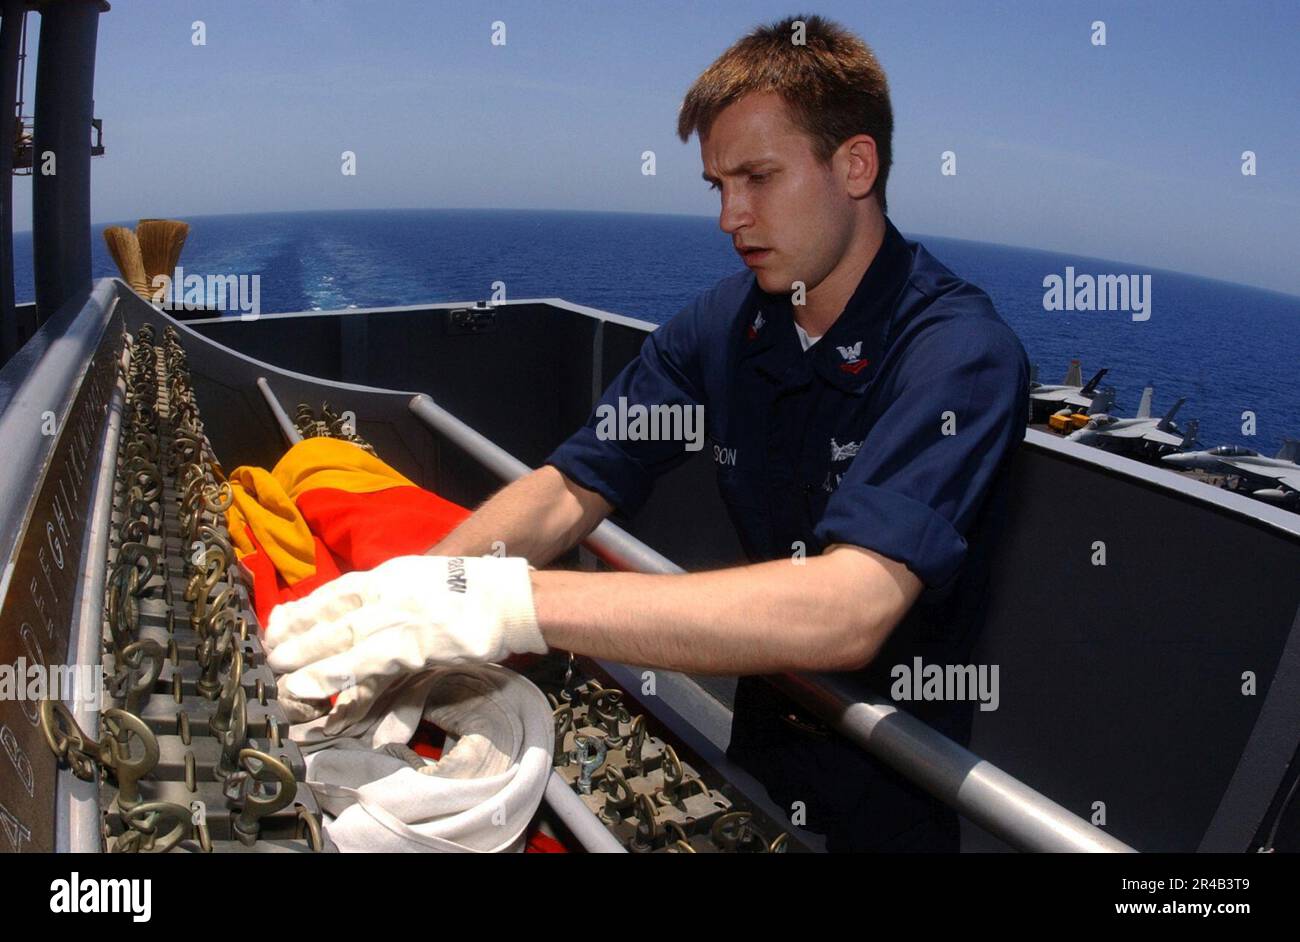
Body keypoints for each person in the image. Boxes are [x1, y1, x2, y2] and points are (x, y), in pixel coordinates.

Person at [266, 13, 1030, 852]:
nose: (730, 216)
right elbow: (573, 486)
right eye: (718, 186)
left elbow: (850, 607)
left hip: (893, 783)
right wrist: (413, 597)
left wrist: (506, 604)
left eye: (759, 177)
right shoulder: (729, 327)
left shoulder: (961, 355)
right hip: (764, 742)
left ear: (854, 165)